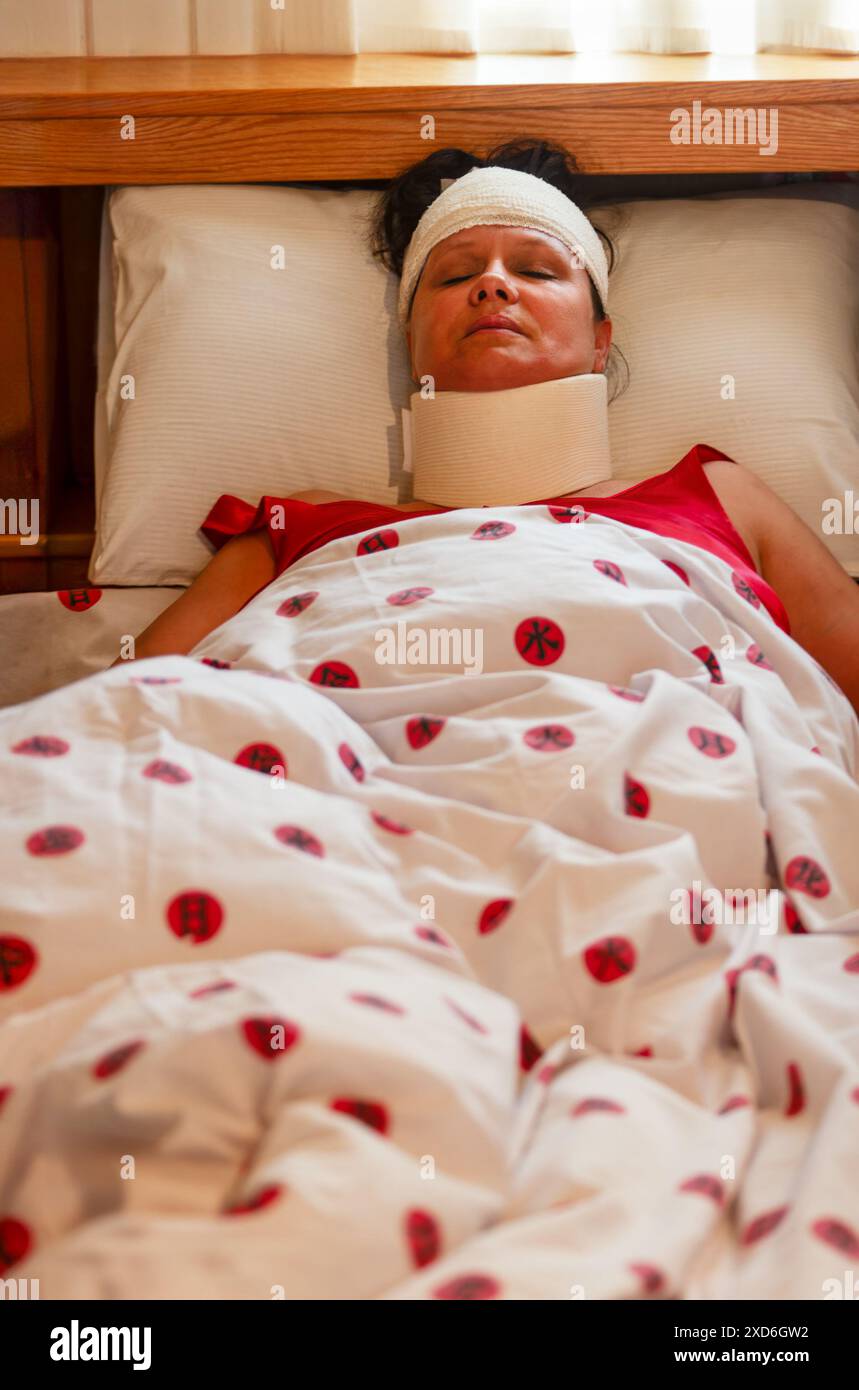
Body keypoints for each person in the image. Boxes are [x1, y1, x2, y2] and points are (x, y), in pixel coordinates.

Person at [110, 139, 859, 719]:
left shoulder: (718, 498)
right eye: (453, 275)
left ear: (600, 339)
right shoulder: (297, 528)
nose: (493, 284)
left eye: (535, 271)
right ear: (411, 342)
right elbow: (123, 710)